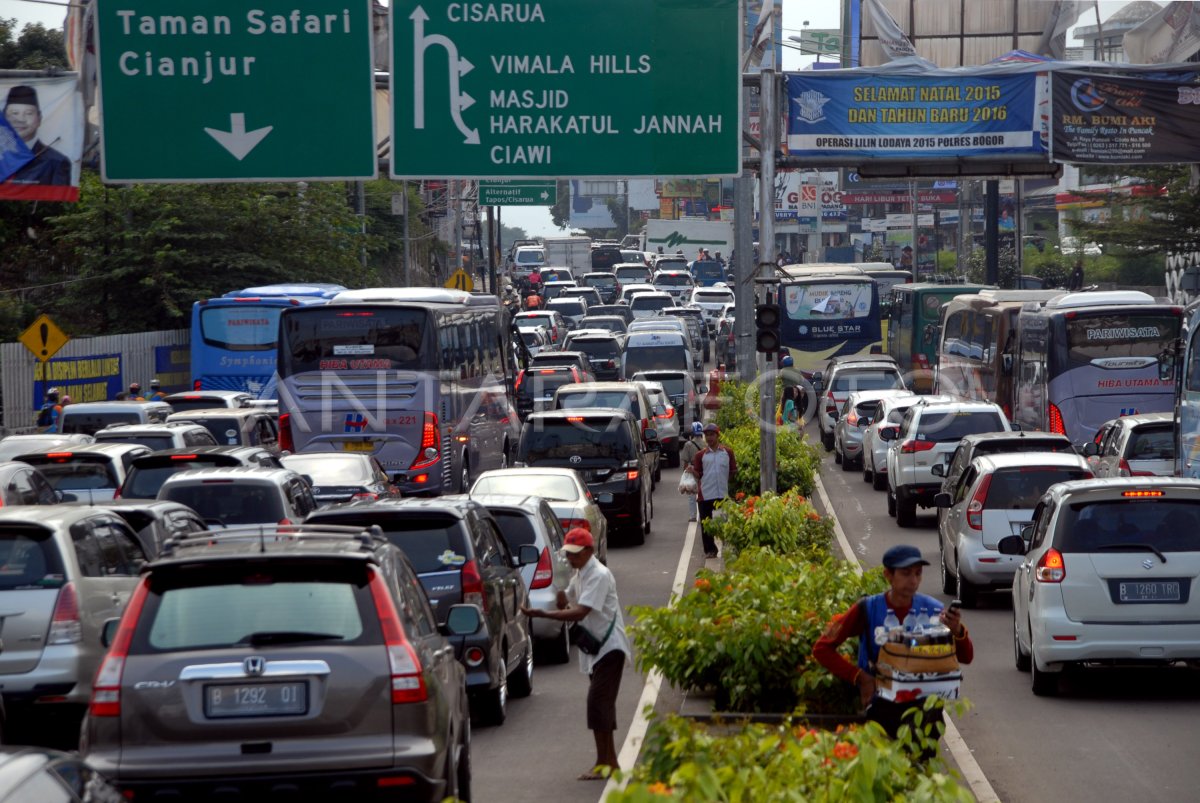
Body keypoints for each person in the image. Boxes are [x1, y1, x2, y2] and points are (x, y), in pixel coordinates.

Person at [813, 545, 973, 745]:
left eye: (918, 574)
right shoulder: (868, 609)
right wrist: (860, 678)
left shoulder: (933, 610)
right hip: (881, 708)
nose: (913, 581)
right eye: (905, 574)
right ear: (888, 575)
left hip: (925, 711)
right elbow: (822, 648)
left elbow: (966, 657)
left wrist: (957, 630)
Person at [520, 528, 631, 781]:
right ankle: (607, 761)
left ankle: (607, 762)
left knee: (598, 703)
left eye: (575, 555)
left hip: (610, 648)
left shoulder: (598, 575)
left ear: (589, 552)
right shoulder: (581, 573)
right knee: (601, 705)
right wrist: (560, 597)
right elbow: (567, 598)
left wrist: (545, 614)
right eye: (568, 555)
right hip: (598, 648)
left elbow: (580, 612)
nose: (571, 559)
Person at [2, 85, 71, 187]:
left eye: (28, 113)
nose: (21, 120)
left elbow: (59, 200)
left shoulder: (56, 162)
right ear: (4, 119)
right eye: (14, 113)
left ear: (39, 118)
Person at [691, 423, 736, 559]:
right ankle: (710, 550)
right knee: (707, 526)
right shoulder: (700, 456)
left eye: (712, 435)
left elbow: (733, 471)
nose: (709, 438)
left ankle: (727, 549)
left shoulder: (727, 453)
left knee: (725, 523)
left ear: (718, 435)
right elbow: (698, 474)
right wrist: (692, 472)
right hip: (706, 495)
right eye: (707, 435)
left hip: (722, 494)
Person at [680, 421, 704, 522]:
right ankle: (704, 515)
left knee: (692, 495)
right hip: (705, 471)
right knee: (704, 494)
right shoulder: (706, 444)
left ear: (692, 433)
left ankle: (693, 516)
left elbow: (685, 462)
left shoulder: (688, 445)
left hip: (692, 470)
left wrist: (685, 473)